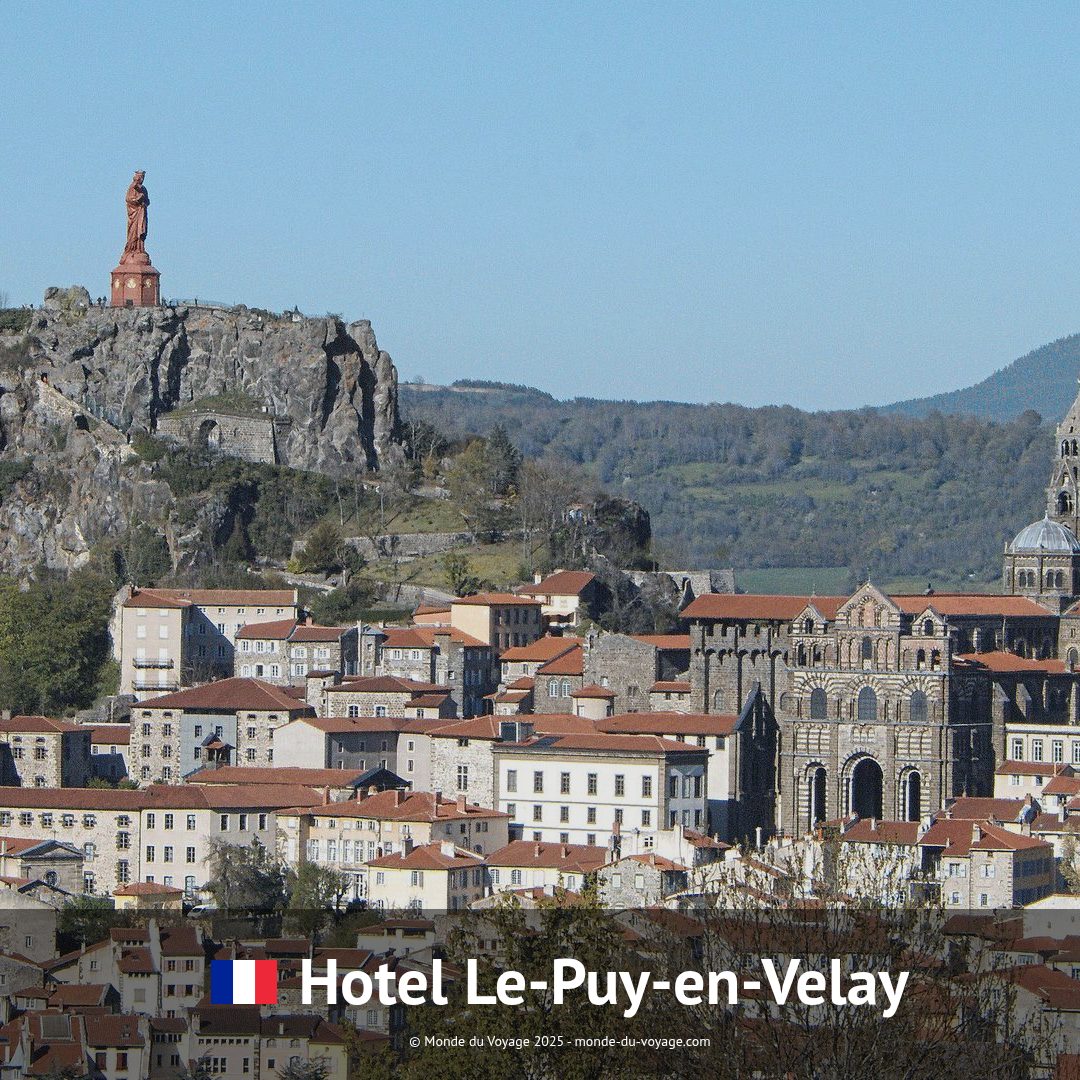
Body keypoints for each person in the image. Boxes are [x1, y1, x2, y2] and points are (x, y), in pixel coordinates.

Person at [123, 171, 149, 257]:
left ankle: (140, 248)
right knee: (133, 231)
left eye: (142, 177)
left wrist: (143, 200)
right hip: (134, 213)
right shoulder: (132, 187)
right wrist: (138, 199)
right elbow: (128, 199)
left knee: (141, 230)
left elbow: (148, 201)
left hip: (142, 212)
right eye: (140, 177)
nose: (141, 179)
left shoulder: (144, 189)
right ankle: (132, 248)